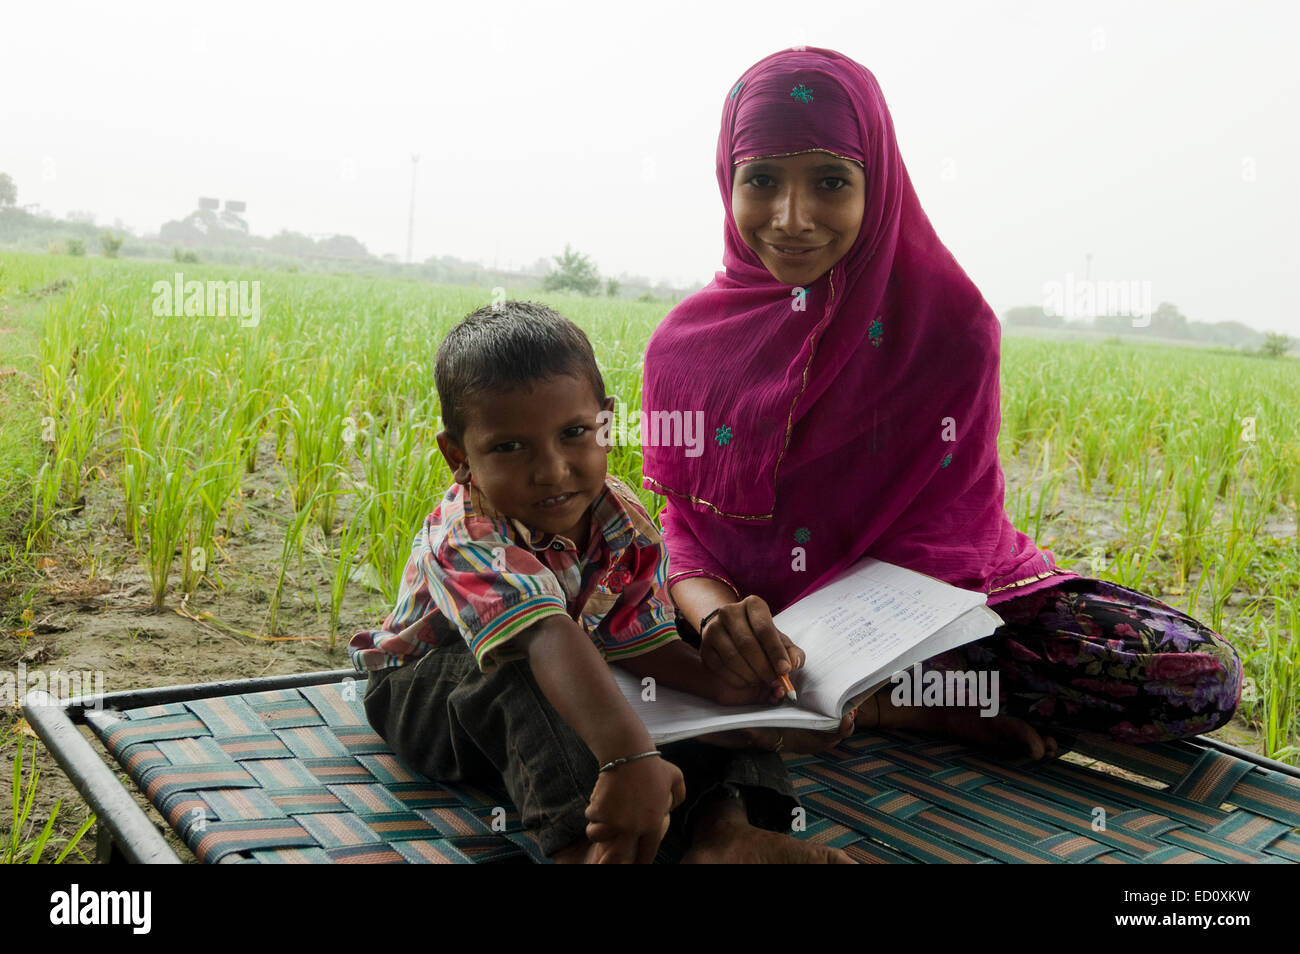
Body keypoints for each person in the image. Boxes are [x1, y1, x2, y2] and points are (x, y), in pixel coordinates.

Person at [640, 47, 1243, 759]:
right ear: (727, 181)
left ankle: (885, 699)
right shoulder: (685, 346)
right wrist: (715, 621)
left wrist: (867, 651)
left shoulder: (950, 327)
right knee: (566, 619)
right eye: (762, 180)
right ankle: (863, 700)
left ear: (881, 183)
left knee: (1194, 675)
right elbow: (682, 524)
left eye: (831, 181)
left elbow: (948, 529)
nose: (791, 217)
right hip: (741, 622)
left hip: (914, 616)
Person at [349, 300, 853, 864]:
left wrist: (739, 693)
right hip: (428, 691)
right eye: (508, 447)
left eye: (573, 433)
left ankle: (724, 829)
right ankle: (584, 846)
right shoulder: (465, 533)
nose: (552, 469)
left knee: (706, 659)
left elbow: (640, 640)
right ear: (458, 456)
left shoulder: (621, 518)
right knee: (526, 674)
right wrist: (628, 758)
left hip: (569, 672)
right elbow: (546, 636)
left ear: (606, 424)